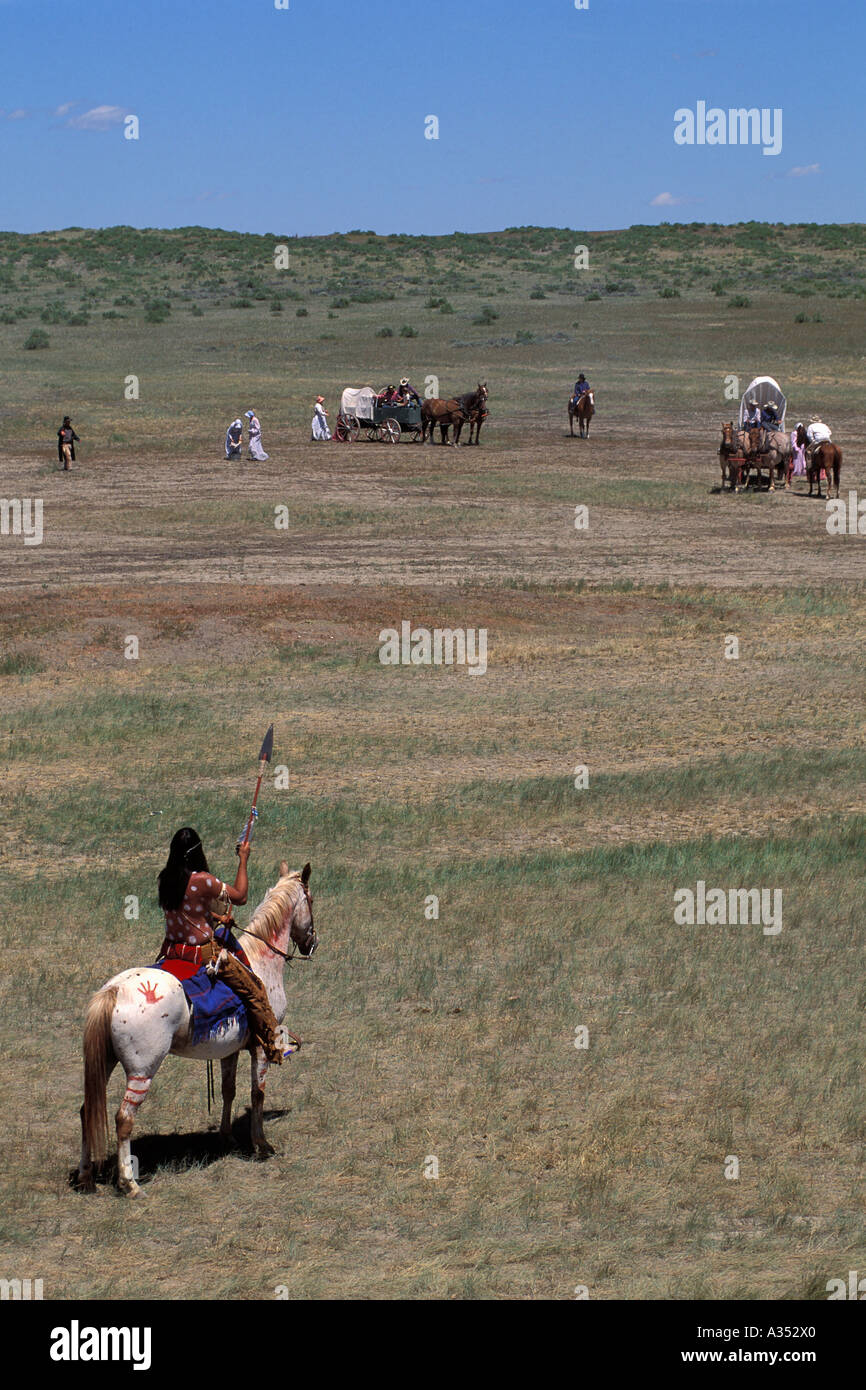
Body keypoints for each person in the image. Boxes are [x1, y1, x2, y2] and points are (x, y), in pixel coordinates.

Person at [156, 827, 285, 1064]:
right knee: (255, 989)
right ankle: (276, 1044)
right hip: (202, 955)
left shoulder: (166, 879)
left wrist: (216, 919)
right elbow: (241, 897)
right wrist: (243, 858)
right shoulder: (202, 881)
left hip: (172, 952)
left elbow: (188, 910)